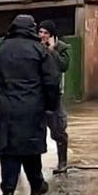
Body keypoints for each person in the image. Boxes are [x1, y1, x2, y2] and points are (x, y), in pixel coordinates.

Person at [0, 15, 61, 195]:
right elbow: (52, 80)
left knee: (8, 150)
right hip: (33, 108)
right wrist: (51, 105)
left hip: (7, 108)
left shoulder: (0, 49)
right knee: (31, 148)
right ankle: (36, 184)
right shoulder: (40, 50)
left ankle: (8, 190)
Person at [38, 20, 71, 175]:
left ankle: (62, 162)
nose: (42, 35)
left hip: (53, 95)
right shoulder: (35, 46)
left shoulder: (62, 48)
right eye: (41, 32)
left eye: (46, 33)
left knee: (58, 130)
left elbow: (64, 66)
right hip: (37, 95)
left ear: (52, 35)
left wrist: (52, 51)